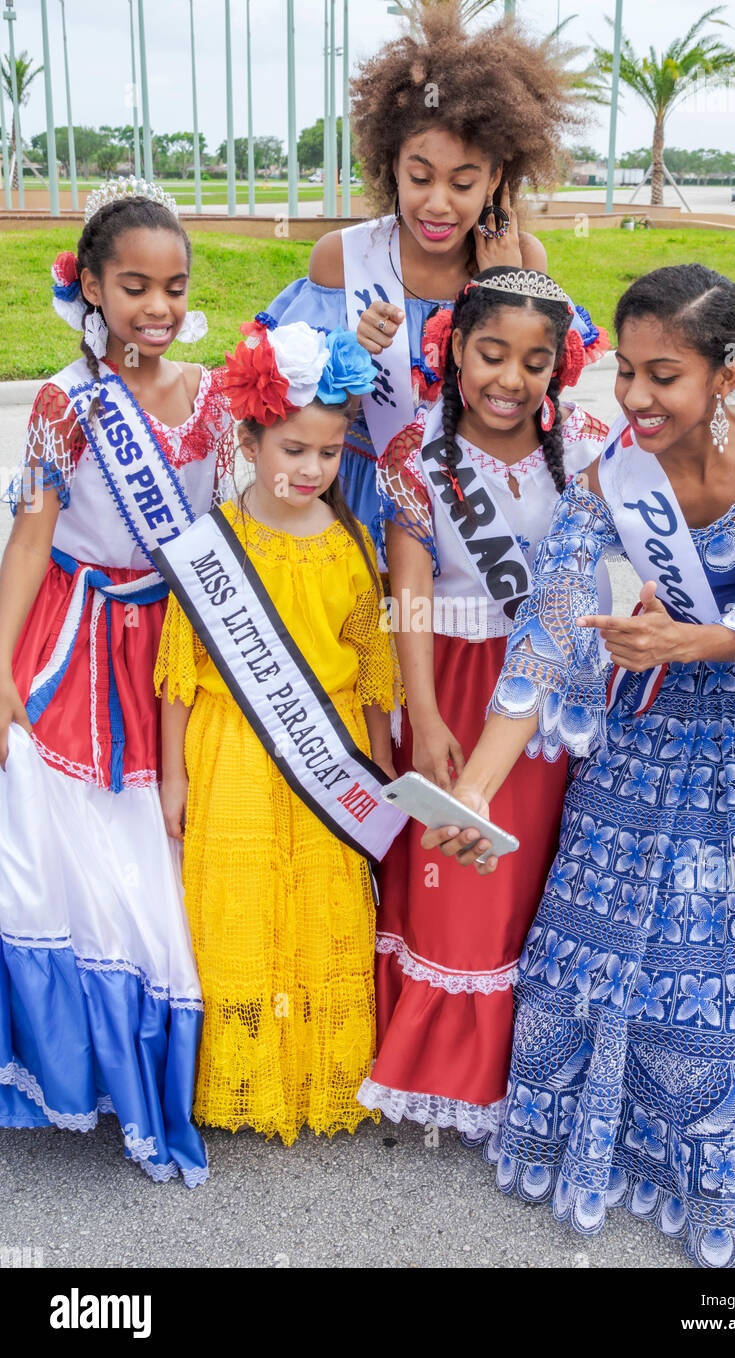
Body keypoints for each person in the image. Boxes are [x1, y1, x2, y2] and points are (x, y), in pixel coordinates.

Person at [423, 263, 735, 1267]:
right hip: (659, 719)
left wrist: (687, 643)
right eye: (623, 371)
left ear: (727, 371)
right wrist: (477, 785)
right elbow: (543, 636)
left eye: (660, 375)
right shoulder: (612, 479)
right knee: (620, 930)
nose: (630, 399)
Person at [0, 180, 233, 1185]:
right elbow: (33, 533)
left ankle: (156, 1055)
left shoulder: (217, 396)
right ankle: (79, 1065)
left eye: (173, 287)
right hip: (73, 638)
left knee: (161, 857)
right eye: (133, 285)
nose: (157, 307)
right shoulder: (66, 401)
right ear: (90, 286)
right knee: (73, 852)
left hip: (172, 647)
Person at [358, 268, 610, 1131]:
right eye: (492, 353)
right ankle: (448, 1070)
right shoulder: (415, 457)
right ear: (455, 347)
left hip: (552, 687)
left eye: (534, 362)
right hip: (458, 683)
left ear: (558, 366)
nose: (511, 378)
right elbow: (409, 599)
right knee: (463, 875)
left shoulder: (582, 442)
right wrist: (422, 719)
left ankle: (536, 1067)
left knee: (536, 873)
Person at [155, 318, 403, 1146]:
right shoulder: (213, 543)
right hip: (229, 753)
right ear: (252, 439)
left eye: (328, 454)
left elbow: (373, 673)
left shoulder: (353, 544)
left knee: (321, 908)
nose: (311, 469)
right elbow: (181, 675)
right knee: (239, 909)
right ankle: (245, 1074)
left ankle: (318, 1072)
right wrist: (172, 778)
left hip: (325, 757)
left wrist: (380, 776)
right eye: (293, 449)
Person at [265, 0, 608, 539]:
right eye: (420, 178)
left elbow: (530, 401)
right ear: (392, 167)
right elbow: (286, 407)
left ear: (496, 179)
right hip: (356, 495)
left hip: (469, 506)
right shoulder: (342, 258)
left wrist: (500, 287)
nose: (438, 204)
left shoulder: (526, 261)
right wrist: (347, 349)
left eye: (463, 183)